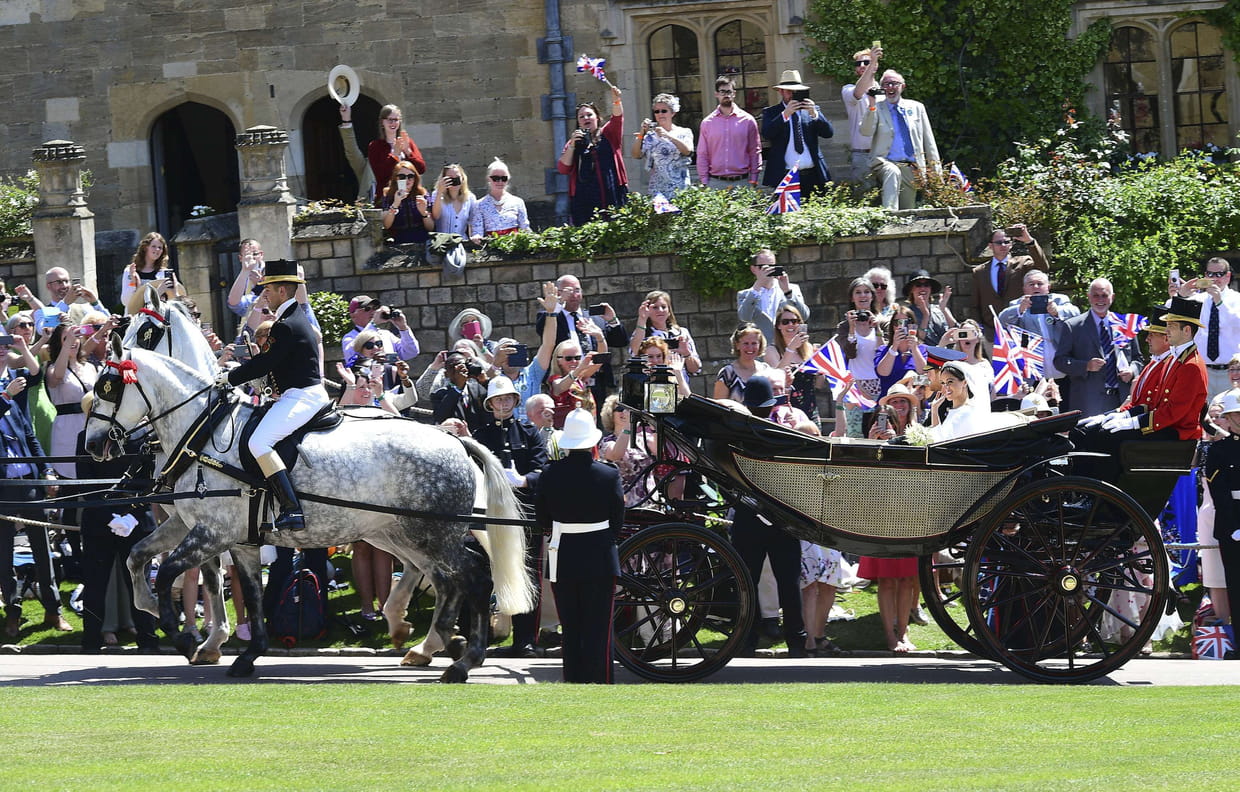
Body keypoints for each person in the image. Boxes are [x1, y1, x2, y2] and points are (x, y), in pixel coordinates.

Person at [216, 260, 328, 532]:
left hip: (302, 396)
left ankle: (291, 508)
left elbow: (265, 363)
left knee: (258, 442)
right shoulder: (293, 319)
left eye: (268, 289)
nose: (264, 294)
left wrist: (227, 378)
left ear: (282, 290)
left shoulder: (285, 325)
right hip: (299, 393)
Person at [533, 408, 623, 683]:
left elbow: (542, 518)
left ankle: (573, 678)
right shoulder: (608, 474)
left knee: (570, 625)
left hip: (564, 553)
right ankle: (600, 679)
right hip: (599, 553)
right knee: (599, 626)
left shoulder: (550, 474)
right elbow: (617, 519)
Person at [467, 376, 547, 657]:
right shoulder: (481, 436)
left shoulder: (530, 433)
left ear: (515, 400)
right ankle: (479, 638)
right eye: (498, 400)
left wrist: (523, 480)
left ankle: (525, 640)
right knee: (483, 576)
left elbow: (541, 468)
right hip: (489, 513)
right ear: (490, 404)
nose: (503, 404)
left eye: (507, 399)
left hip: (523, 513)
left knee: (527, 574)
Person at [729, 376, 808, 656]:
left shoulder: (740, 434)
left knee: (753, 583)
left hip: (762, 517)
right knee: (783, 583)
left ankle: (750, 640)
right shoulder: (778, 433)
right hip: (774, 516)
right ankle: (794, 641)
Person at [0, 338, 71, 637]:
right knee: (4, 556)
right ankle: (13, 613)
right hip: (3, 487)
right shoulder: (8, 392)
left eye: (4, 346)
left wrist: (47, 471)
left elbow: (29, 436)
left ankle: (54, 611)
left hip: (28, 482)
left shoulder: (12, 391)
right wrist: (5, 396)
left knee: (43, 550)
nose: (2, 349)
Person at [1075, 298, 1207, 452]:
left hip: (1176, 430)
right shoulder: (1176, 360)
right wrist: (1119, 416)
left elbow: (1174, 412)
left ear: (1187, 330)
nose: (1167, 330)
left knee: (1105, 437)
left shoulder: (1191, 365)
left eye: (1171, 326)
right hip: (1163, 425)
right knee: (1094, 433)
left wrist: (1134, 423)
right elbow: (1151, 404)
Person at [535, 274, 628, 411]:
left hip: (597, 382)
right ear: (558, 293)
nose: (573, 294)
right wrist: (557, 305)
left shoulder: (594, 318)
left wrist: (612, 320)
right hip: (566, 384)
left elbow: (620, 341)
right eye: (568, 291)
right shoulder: (551, 316)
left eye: (577, 290)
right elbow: (542, 330)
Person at [1054, 278, 1141, 417]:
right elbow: (1060, 361)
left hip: (1122, 399)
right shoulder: (1073, 326)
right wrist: (1086, 366)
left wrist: (1132, 371)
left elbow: (1138, 359)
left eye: (1104, 295)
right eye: (1095, 295)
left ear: (1112, 297)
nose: (1100, 300)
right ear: (1088, 297)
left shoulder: (1125, 325)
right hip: (1088, 401)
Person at [860, 69, 941, 211]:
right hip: (885, 163)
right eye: (886, 84)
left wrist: (936, 172)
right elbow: (865, 131)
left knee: (907, 210)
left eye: (894, 83)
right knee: (892, 171)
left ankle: (899, 220)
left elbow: (928, 141)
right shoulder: (877, 108)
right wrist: (871, 105)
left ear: (903, 86)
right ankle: (889, 214)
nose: (890, 87)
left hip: (911, 168)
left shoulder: (916, 107)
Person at [558, 85, 628, 226]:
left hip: (612, 189)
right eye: (581, 117)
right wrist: (572, 145)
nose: (586, 118)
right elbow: (563, 169)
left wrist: (616, 100)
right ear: (578, 122)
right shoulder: (573, 142)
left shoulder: (609, 133)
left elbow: (617, 118)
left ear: (597, 118)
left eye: (589, 115)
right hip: (585, 195)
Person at [997, 269, 1080, 380]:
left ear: (1048, 287)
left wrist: (1057, 311)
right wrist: (1019, 309)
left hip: (1061, 361)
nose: (1036, 287)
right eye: (1031, 284)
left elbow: (1076, 313)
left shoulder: (1059, 300)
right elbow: (1002, 320)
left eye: (1040, 284)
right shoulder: (1017, 304)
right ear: (1024, 289)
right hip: (1033, 365)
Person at [761, 69, 833, 197]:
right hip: (786, 175)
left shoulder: (811, 110)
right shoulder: (771, 112)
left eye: (796, 91)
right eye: (789, 91)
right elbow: (767, 134)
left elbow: (828, 133)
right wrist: (785, 115)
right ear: (781, 91)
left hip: (812, 174)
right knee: (787, 209)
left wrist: (814, 114)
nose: (792, 94)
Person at [1177, 257, 1240, 398]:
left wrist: (1220, 303)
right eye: (1210, 274)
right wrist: (1180, 295)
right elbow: (1172, 318)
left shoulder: (1237, 299)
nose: (1214, 279)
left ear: (1228, 276)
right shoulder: (1198, 299)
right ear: (1205, 275)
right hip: (1202, 369)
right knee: (1201, 410)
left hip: (1231, 372)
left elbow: (1237, 324)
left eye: (1219, 274)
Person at [1203, 389, 1240, 622]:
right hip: (1232, 520)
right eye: (1236, 414)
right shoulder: (1218, 450)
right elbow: (1220, 491)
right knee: (1236, 585)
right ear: (1229, 418)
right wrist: (1234, 526)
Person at [972, 224, 1048, 321]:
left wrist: (1029, 241)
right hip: (991, 325)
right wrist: (979, 326)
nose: (1003, 245)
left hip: (1019, 323)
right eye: (999, 243)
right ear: (990, 246)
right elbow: (975, 304)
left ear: (1011, 245)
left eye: (1006, 242)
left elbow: (1042, 267)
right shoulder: (979, 272)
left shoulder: (1022, 263)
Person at [697, 76, 762, 189]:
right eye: (722, 91)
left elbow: (754, 151)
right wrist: (704, 181)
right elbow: (703, 153)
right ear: (716, 94)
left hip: (742, 182)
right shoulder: (707, 123)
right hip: (715, 182)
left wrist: (754, 179)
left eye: (729, 91)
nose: (726, 95)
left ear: (734, 94)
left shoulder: (748, 121)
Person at [737, 249, 810, 343]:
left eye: (772, 266)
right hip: (761, 347)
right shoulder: (745, 294)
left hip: (789, 345)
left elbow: (804, 316)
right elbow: (745, 317)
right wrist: (757, 286)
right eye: (763, 267)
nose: (768, 270)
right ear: (753, 269)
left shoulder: (792, 289)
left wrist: (787, 292)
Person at [630, 93, 694, 197]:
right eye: (657, 111)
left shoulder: (684, 132)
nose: (660, 114)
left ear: (672, 113)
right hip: (658, 189)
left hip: (680, 186)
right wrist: (641, 134)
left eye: (664, 111)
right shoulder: (650, 136)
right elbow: (636, 155)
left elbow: (688, 151)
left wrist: (667, 135)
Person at [767, 302, 821, 425]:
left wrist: (820, 368)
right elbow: (777, 376)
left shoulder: (808, 349)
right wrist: (791, 348)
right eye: (785, 322)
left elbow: (819, 385)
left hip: (810, 410)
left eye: (794, 321)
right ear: (778, 326)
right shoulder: (772, 350)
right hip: (786, 413)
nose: (790, 325)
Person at [628, 290, 701, 375]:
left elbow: (695, 370)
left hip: (680, 381)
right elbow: (634, 352)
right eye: (655, 307)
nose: (660, 310)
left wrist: (686, 354)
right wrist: (642, 319)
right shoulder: (642, 333)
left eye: (663, 307)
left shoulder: (682, 333)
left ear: (669, 311)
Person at [367, 103, 425, 206]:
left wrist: (408, 151)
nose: (393, 123)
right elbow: (380, 175)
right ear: (382, 122)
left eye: (396, 120)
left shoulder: (408, 142)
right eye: (390, 120)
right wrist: (395, 155)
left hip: (410, 196)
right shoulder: (375, 146)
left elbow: (421, 169)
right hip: (388, 197)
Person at [340, 294, 419, 368]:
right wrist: (373, 324)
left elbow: (411, 352)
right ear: (353, 315)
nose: (373, 312)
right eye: (367, 309)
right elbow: (351, 353)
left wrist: (403, 328)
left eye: (375, 308)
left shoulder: (386, 334)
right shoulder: (349, 337)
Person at [841, 45, 883, 182]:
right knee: (863, 193)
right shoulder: (848, 90)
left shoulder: (884, 92)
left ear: (876, 66)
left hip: (885, 154)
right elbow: (858, 93)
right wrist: (872, 62)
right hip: (862, 154)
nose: (862, 66)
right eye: (858, 64)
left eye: (867, 62)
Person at [429, 163, 478, 273]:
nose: (454, 181)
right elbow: (436, 216)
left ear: (463, 179)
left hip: (462, 242)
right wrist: (440, 192)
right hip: (442, 243)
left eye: (457, 178)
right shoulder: (436, 195)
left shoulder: (470, 198)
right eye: (450, 179)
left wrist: (474, 239)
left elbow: (473, 222)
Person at [120, 232, 184, 311]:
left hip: (157, 315)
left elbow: (173, 302)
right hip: (135, 316)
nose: (157, 250)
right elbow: (126, 302)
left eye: (160, 248)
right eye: (153, 246)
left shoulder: (164, 273)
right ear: (145, 247)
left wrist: (174, 290)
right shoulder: (130, 271)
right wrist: (133, 282)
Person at [471, 158, 530, 241]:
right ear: (488, 179)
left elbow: (525, 228)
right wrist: (476, 237)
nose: (500, 182)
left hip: (515, 245)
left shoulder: (518, 202)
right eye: (495, 178)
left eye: (504, 178)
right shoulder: (479, 205)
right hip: (491, 245)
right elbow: (477, 230)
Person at [714, 322, 772, 402]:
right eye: (746, 343)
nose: (750, 348)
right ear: (737, 345)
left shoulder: (766, 370)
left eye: (754, 343)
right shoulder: (727, 373)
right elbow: (718, 405)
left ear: (760, 345)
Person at [380, 161, 433, 245]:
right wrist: (395, 204)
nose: (407, 180)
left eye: (410, 176)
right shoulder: (389, 195)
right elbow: (387, 225)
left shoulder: (422, 194)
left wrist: (424, 212)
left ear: (415, 178)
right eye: (402, 176)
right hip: (399, 241)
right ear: (396, 178)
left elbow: (431, 228)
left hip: (422, 240)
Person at [902, 269, 956, 346]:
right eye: (918, 285)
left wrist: (944, 310)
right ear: (911, 289)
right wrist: (926, 315)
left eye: (926, 285)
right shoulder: (906, 314)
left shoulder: (939, 309)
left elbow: (956, 332)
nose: (923, 288)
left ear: (931, 289)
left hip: (945, 352)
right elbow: (917, 340)